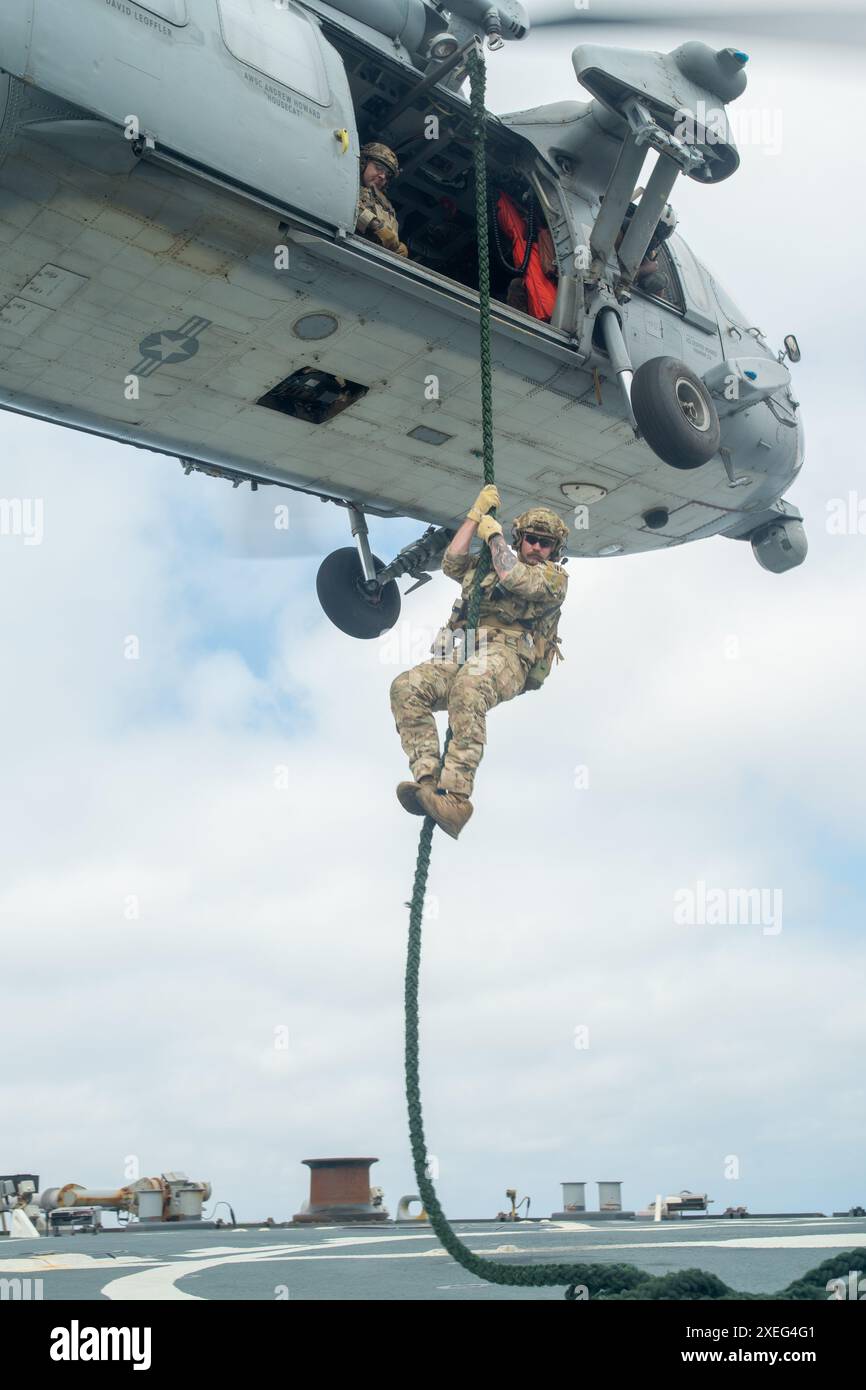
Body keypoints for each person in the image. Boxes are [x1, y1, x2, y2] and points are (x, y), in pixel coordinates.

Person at [389, 487, 569, 839]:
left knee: (469, 688)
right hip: (464, 648)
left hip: (509, 654)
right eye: (531, 539)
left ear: (554, 551)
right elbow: (452, 563)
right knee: (406, 688)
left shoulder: (552, 579)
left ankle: (456, 798)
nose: (536, 548)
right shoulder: (486, 566)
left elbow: (514, 578)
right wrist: (474, 516)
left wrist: (495, 536)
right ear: (522, 540)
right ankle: (428, 783)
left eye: (544, 544)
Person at [495, 190, 557, 321]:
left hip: (546, 309)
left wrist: (499, 197)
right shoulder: (536, 242)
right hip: (546, 308)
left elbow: (511, 222)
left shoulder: (531, 242)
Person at [355, 142, 408, 257]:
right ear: (363, 163)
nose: (382, 176)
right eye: (378, 167)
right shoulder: (348, 181)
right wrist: (374, 224)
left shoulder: (386, 206)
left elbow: (390, 238)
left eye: (387, 175)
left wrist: (398, 248)